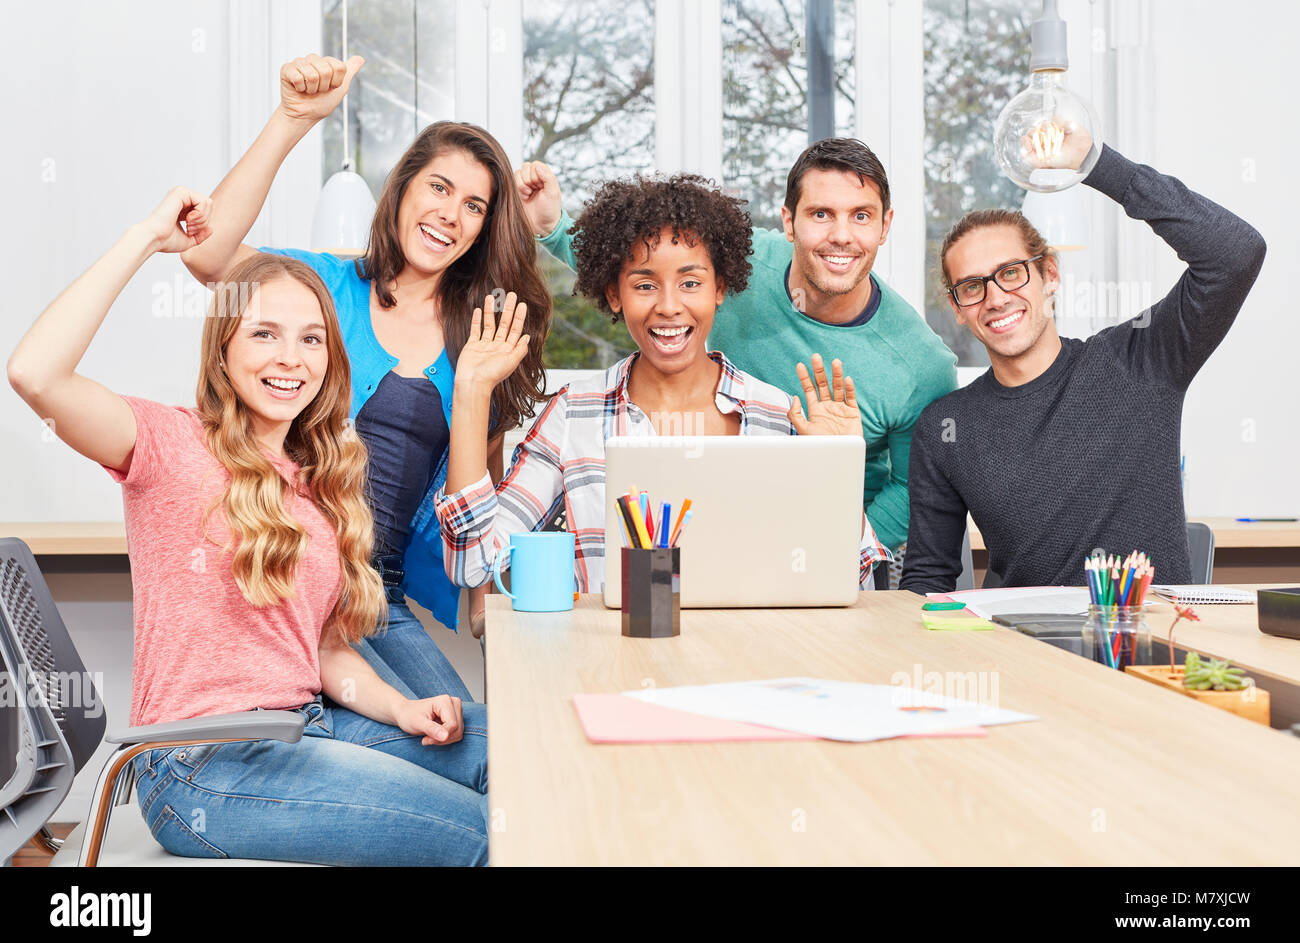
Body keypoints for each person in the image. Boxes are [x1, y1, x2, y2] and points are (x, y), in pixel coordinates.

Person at [7, 188, 488, 865]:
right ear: (224, 348)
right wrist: (144, 238)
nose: (291, 359)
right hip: (204, 767)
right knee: (484, 834)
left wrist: (397, 709)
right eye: (265, 333)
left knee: (514, 759)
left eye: (310, 339)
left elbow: (317, 651)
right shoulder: (171, 446)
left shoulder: (319, 475)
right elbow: (34, 373)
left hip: (306, 730)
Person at [180, 54, 551, 692]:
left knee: (476, 743)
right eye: (438, 188)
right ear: (402, 188)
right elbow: (209, 255)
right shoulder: (323, 286)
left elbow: (478, 493)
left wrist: (492, 619)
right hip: (287, 572)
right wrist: (292, 120)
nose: (449, 215)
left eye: (474, 206)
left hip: (376, 596)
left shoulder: (480, 339)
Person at [436, 174, 887, 593]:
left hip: (748, 666)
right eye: (645, 285)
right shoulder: (574, 414)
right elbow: (473, 563)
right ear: (614, 294)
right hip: (614, 667)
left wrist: (837, 468)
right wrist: (472, 391)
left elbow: (856, 577)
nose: (669, 306)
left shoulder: (778, 415)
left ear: (720, 288)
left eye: (690, 282)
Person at [516, 139, 957, 560]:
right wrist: (552, 229)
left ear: (885, 225)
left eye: (861, 216)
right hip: (709, 512)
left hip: (825, 531)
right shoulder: (744, 263)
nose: (840, 235)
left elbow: (911, 487)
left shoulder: (922, 365)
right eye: (821, 214)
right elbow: (646, 269)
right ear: (789, 221)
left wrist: (836, 551)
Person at [900, 133, 1266, 594]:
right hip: (1030, 652)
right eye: (972, 287)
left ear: (1049, 274)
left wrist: (1098, 165)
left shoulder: (1140, 358)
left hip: (1148, 654)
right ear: (957, 308)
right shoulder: (945, 427)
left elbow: (1235, 253)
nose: (995, 298)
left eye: (1011, 272)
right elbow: (926, 582)